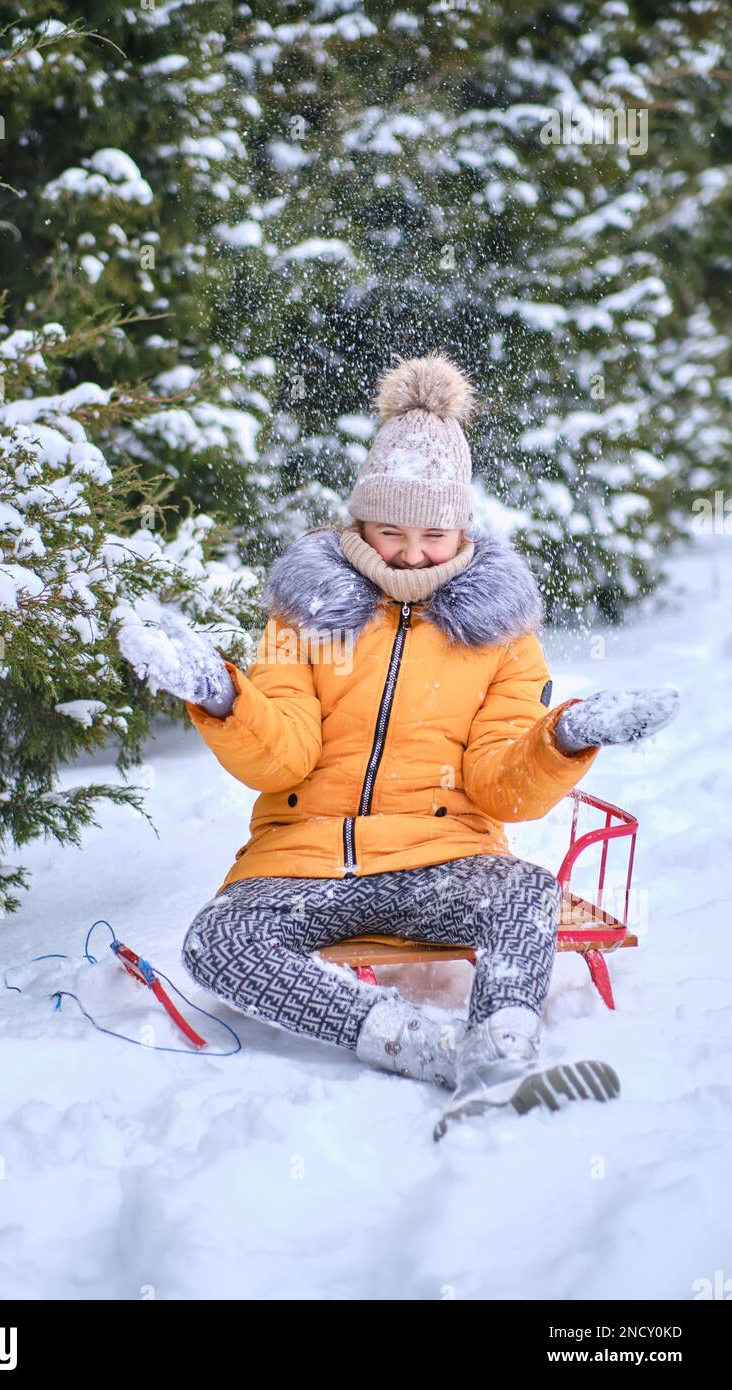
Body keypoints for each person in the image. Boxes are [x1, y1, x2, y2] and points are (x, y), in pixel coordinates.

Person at [157, 352, 679, 1133]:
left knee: (527, 892)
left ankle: (503, 1046)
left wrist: (565, 737)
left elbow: (502, 786)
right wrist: (224, 696)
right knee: (218, 940)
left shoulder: (499, 634)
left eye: (433, 533)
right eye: (390, 531)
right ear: (359, 523)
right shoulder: (307, 615)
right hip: (304, 863)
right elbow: (284, 755)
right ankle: (419, 1047)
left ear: (462, 527)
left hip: (441, 862)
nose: (410, 554)